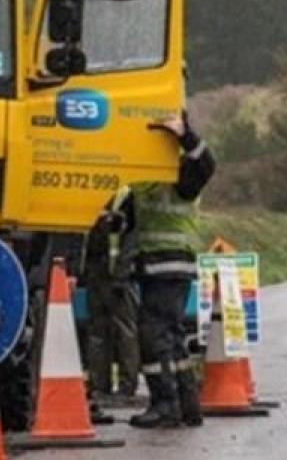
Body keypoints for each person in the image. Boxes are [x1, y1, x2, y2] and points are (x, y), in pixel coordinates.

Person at [108, 112, 216, 429]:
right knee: (173, 337)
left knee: (154, 336)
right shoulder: (143, 184)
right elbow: (124, 221)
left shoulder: (180, 175)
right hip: (155, 269)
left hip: (169, 267)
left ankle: (165, 405)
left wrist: (186, 134)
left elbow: (206, 164)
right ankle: (187, 404)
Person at [82, 189, 141, 405]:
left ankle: (126, 386)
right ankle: (100, 386)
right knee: (98, 330)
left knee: (124, 330)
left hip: (120, 274)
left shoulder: (126, 195)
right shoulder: (95, 192)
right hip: (98, 271)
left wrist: (124, 271)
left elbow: (132, 237)